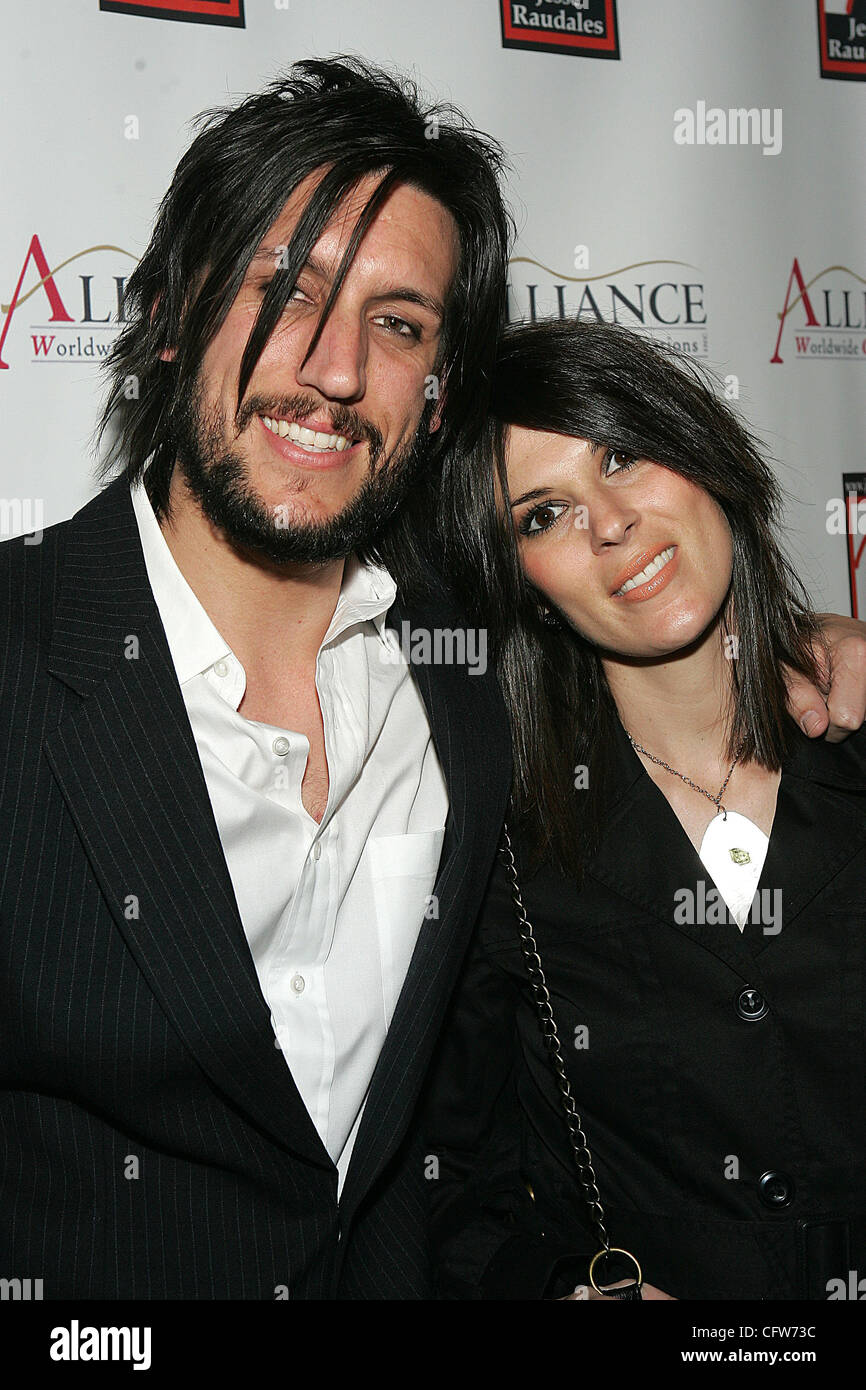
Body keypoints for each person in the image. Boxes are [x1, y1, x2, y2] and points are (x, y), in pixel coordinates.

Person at [0, 59, 861, 1302]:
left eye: (398, 324)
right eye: (285, 291)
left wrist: (808, 633)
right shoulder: (26, 654)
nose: (334, 367)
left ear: (439, 387)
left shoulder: (463, 682)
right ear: (175, 310)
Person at [424, 317, 866, 1301]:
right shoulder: (496, 853)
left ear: (697, 447)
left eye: (621, 455)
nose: (608, 522)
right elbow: (440, 1187)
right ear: (523, 587)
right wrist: (559, 1288)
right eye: (541, 514)